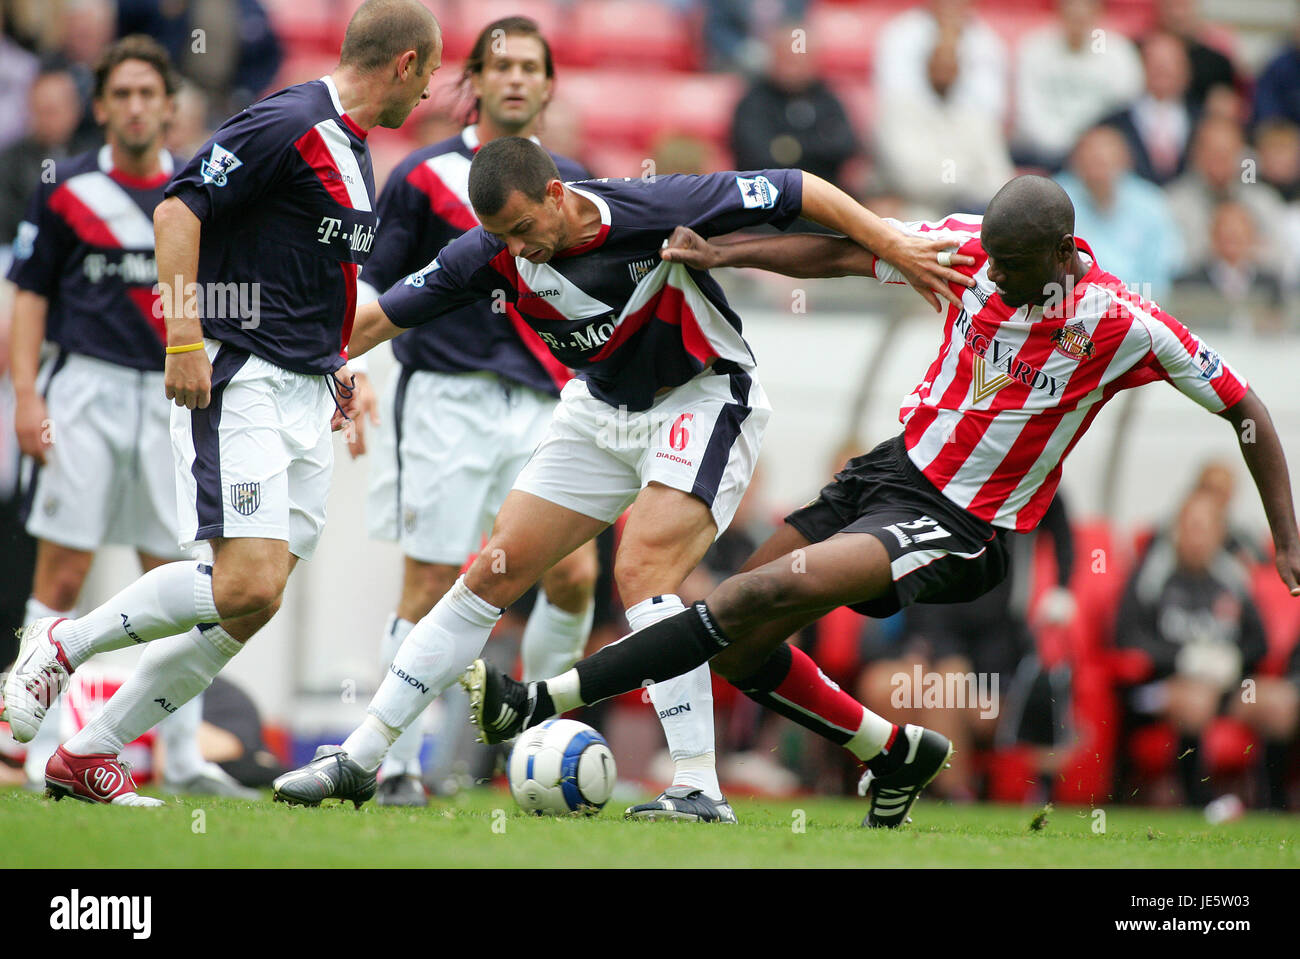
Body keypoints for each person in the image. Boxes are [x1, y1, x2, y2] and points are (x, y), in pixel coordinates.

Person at [464, 174, 1300, 828]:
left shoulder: (1124, 324)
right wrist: (730, 255)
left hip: (964, 522)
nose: (994, 280)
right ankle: (894, 751)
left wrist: (1287, 537)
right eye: (993, 265)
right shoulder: (970, 248)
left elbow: (1247, 408)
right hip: (886, 472)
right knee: (736, 641)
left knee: (754, 592)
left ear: (1062, 251)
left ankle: (542, 699)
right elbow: (847, 252)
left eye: (1013, 269)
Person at [270, 137, 971, 820]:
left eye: (523, 228)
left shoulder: (648, 207)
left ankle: (697, 785)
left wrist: (890, 240)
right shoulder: (490, 251)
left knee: (642, 573)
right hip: (600, 411)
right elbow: (378, 318)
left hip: (703, 397)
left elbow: (793, 187)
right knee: (490, 570)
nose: (516, 249)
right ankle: (363, 757)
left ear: (556, 194)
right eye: (500, 236)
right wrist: (306, 363)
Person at [1, 0, 443, 806]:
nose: (428, 97)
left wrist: (334, 361)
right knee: (242, 583)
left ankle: (89, 752)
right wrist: (181, 337)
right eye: (431, 76)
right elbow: (177, 208)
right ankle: (63, 639)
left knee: (252, 602)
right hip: (243, 379)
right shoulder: (289, 120)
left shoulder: (353, 148)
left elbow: (312, 274)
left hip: (307, 388)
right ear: (406, 63)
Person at [351, 15, 599, 808]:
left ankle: (533, 747)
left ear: (550, 84)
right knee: (429, 579)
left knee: (571, 576)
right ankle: (396, 763)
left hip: (550, 400)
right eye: (503, 65)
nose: (518, 77)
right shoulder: (423, 175)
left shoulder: (576, 187)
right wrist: (346, 367)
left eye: (532, 65)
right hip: (446, 398)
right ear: (476, 81)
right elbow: (370, 285)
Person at [5, 34, 253, 798]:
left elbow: (224, 298)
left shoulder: (196, 195)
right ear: (103, 105)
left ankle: (180, 757)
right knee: (65, 569)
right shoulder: (66, 187)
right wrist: (25, 395)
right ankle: (31, 753)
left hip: (169, 398)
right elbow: (32, 296)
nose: (138, 106)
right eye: (124, 94)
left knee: (176, 576)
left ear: (169, 105)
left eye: (151, 93)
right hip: (82, 393)